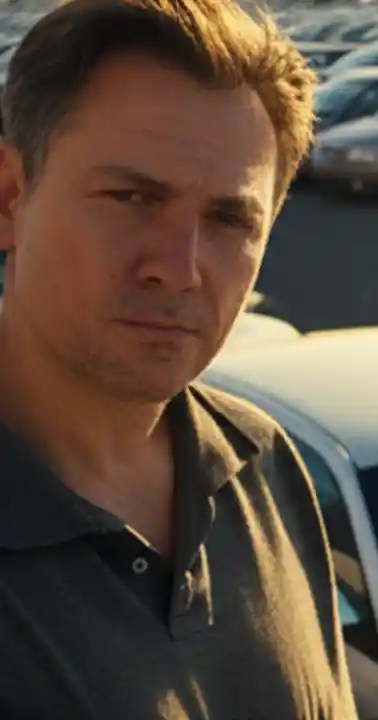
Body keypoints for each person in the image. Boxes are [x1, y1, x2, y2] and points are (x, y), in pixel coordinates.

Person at [0, 0, 357, 718]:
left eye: (229, 219)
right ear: (9, 196)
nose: (179, 268)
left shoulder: (263, 462)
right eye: (131, 196)